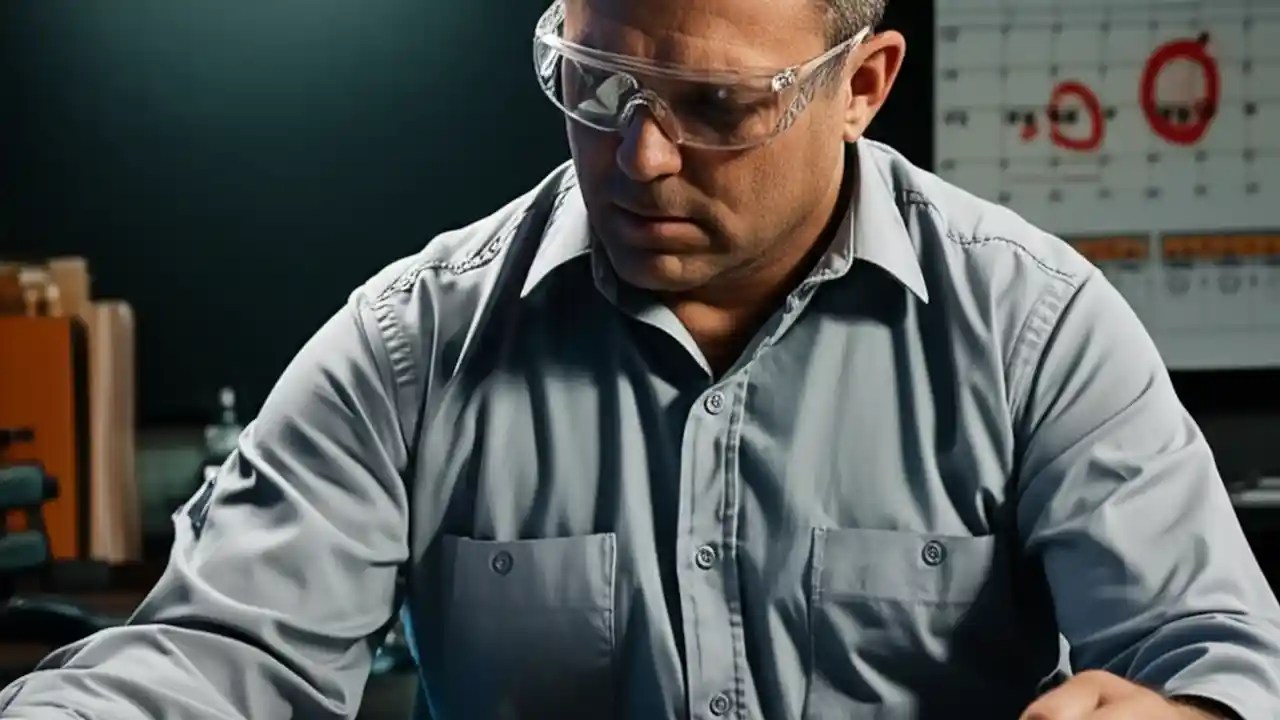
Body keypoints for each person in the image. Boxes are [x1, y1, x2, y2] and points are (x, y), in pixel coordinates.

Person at [3, 0, 1278, 717]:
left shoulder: (1031, 326)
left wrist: (1182, 716)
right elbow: (220, 663)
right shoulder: (415, 344)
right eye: (595, 84)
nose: (638, 156)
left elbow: (1219, 653)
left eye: (718, 107)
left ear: (863, 83)